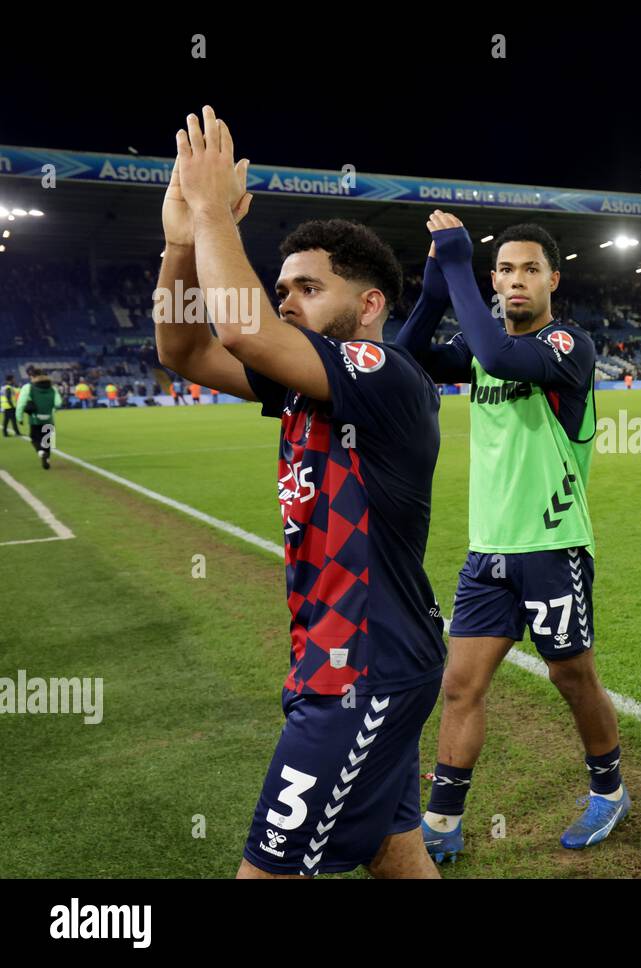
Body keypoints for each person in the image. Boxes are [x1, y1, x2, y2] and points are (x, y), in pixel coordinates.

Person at [156, 106, 445, 879]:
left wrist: (213, 210)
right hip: (347, 658)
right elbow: (183, 347)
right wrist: (181, 242)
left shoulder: (382, 373)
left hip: (363, 671)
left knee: (269, 871)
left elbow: (244, 331)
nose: (285, 301)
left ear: (371, 303)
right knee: (394, 847)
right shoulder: (303, 383)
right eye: (280, 288)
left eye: (306, 288)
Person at [394, 213, 628, 862]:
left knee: (571, 675)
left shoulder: (567, 346)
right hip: (488, 552)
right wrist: (437, 292)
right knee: (461, 686)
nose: (515, 280)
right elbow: (405, 358)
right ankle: (442, 822)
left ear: (554, 278)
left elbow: (501, 355)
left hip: (554, 547)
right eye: (503, 269)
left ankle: (609, 792)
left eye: (529, 269)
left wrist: (461, 261)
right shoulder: (480, 350)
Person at [15, 370, 61, 469]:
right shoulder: (52, 388)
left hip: (35, 420)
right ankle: (47, 459)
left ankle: (41, 453)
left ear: (32, 377)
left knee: (35, 438)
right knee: (47, 441)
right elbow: (58, 403)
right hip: (49, 419)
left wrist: (19, 417)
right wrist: (51, 409)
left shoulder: (28, 387)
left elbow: (21, 404)